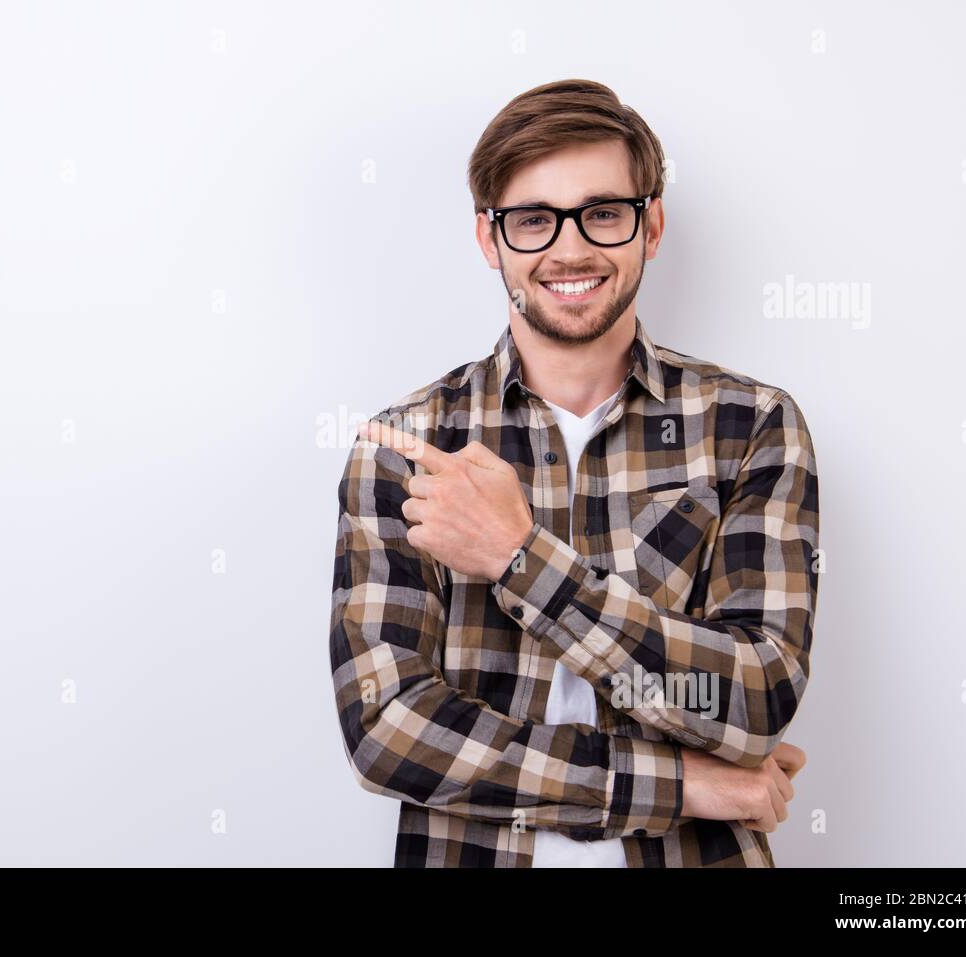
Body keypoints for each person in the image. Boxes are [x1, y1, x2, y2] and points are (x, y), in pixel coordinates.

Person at [329, 79, 820, 867]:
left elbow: (753, 699)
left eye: (601, 212)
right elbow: (389, 730)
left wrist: (519, 557)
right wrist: (682, 782)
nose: (569, 248)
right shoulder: (409, 446)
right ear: (491, 241)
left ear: (649, 225)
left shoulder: (751, 427)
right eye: (533, 219)